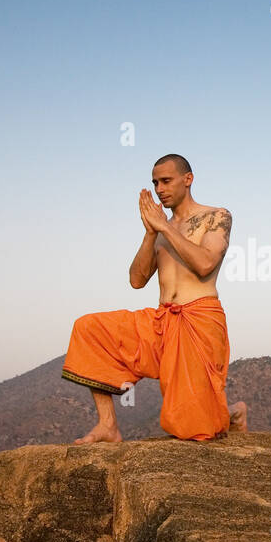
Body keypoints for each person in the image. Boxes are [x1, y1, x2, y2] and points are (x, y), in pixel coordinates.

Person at [62, 154, 248, 443]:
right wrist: (150, 233)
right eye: (155, 183)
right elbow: (137, 280)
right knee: (89, 329)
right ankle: (108, 424)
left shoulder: (216, 216)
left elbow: (205, 263)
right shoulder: (160, 229)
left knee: (193, 428)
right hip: (161, 321)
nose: (159, 189)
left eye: (166, 181)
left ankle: (233, 412)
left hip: (198, 319)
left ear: (188, 180)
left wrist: (164, 228)